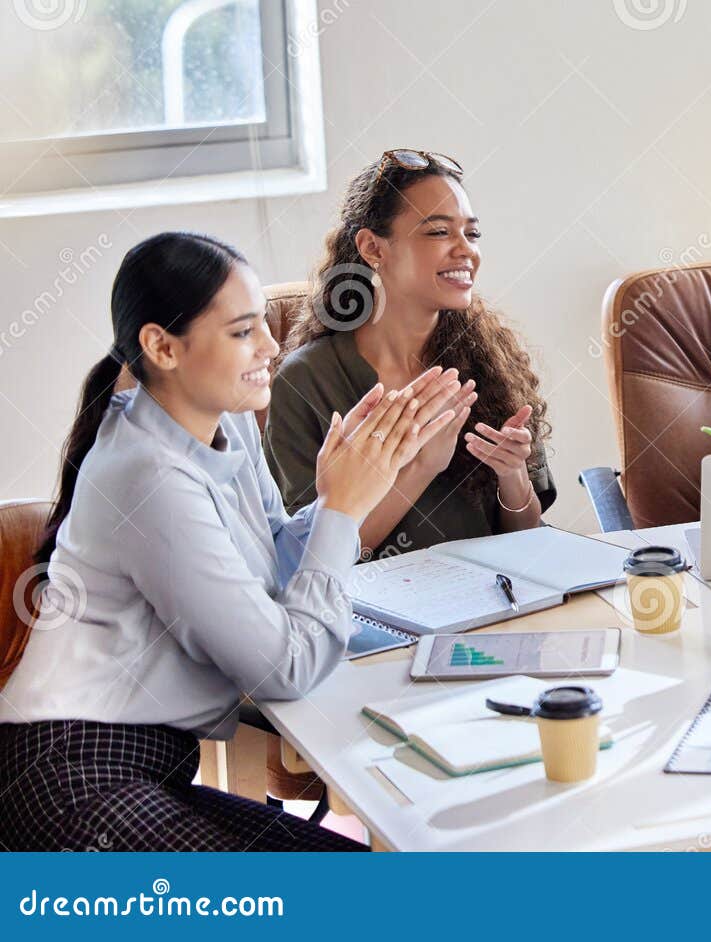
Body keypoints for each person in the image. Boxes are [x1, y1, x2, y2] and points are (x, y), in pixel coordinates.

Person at [0, 232, 460, 850]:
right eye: (243, 331)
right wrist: (342, 513)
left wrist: (347, 494)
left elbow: (267, 561)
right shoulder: (147, 477)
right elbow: (283, 669)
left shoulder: (227, 417)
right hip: (73, 785)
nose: (272, 346)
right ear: (161, 347)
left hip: (145, 771)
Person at [270, 150, 554, 557]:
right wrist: (421, 466)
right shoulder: (307, 382)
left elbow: (529, 543)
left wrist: (512, 476)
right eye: (439, 233)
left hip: (496, 602)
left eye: (471, 234)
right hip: (370, 617)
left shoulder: (492, 360)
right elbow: (314, 559)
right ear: (373, 248)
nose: (465, 251)